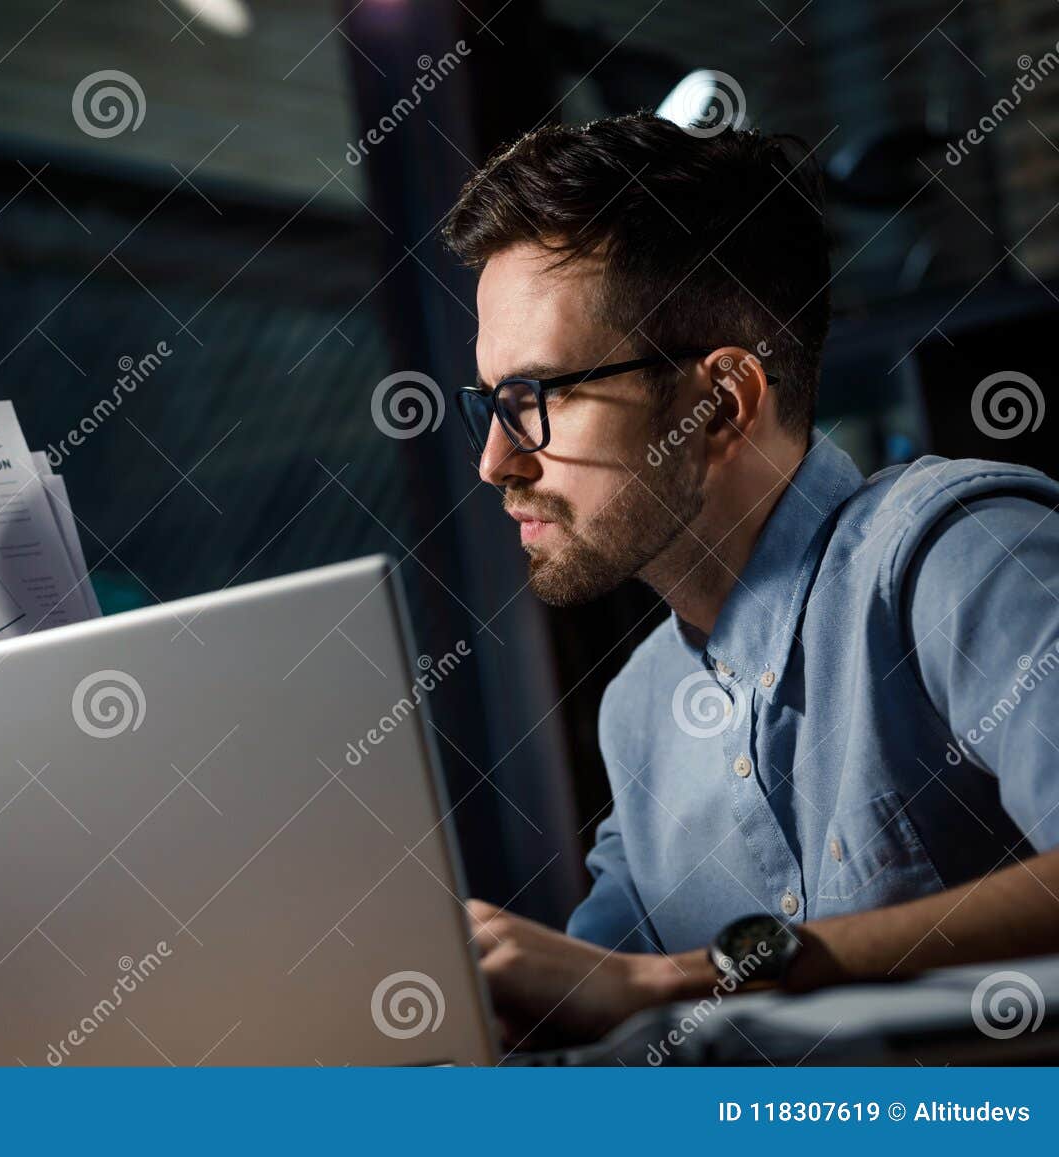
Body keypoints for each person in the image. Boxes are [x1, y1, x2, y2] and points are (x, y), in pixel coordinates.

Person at [444, 112, 1059, 1049]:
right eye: (492, 405)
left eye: (542, 397)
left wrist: (685, 977)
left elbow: (637, 988)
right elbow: (593, 1013)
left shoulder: (957, 556)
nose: (496, 460)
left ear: (720, 403)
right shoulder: (641, 711)